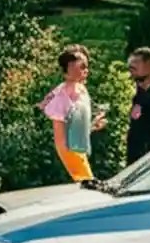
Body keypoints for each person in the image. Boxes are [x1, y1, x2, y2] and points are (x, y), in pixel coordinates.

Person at [38, 44, 107, 182]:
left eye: (85, 66)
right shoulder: (62, 95)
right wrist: (70, 155)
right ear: (66, 72)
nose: (84, 70)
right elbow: (60, 133)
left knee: (88, 185)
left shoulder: (81, 90)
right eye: (79, 67)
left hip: (79, 148)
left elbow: (76, 128)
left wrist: (93, 125)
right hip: (71, 151)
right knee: (87, 184)